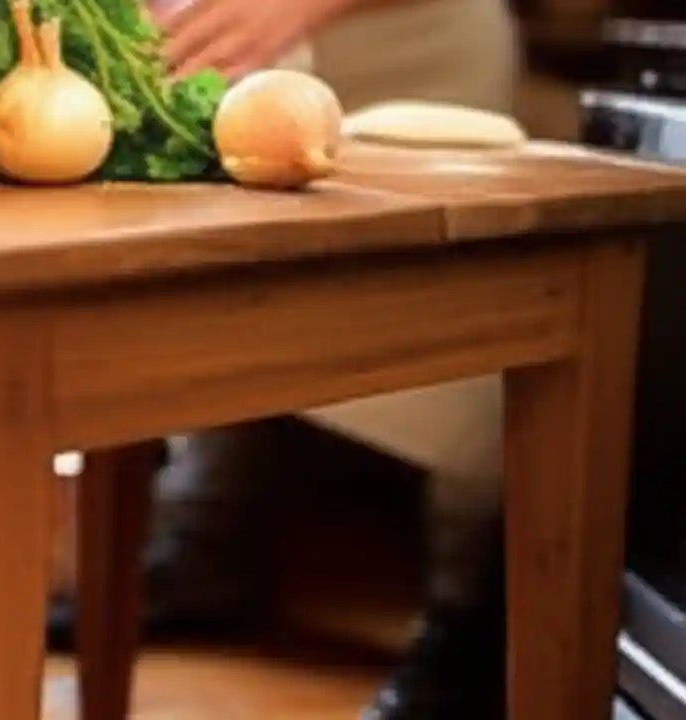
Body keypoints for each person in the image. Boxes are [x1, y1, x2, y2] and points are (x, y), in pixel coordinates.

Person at [53, 2, 517, 719]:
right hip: (240, 63)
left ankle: (470, 620)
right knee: (219, 282)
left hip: (415, 48)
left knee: (456, 317)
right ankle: (206, 547)